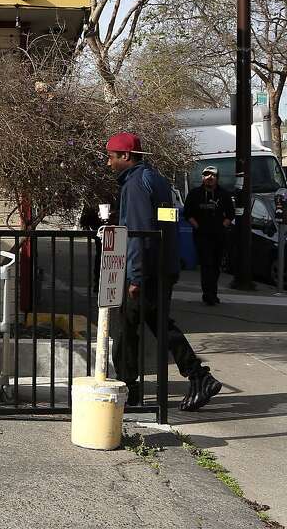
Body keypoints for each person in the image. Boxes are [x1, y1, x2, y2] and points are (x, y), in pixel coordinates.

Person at [105, 132, 223, 411]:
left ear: (125, 156)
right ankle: (197, 376)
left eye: (111, 157)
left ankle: (130, 388)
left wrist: (135, 276)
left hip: (146, 271)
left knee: (128, 330)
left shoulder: (135, 184)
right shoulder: (156, 179)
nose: (109, 163)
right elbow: (165, 222)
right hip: (162, 266)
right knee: (157, 324)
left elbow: (139, 233)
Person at [184, 165, 235, 306]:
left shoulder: (223, 194)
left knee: (216, 265)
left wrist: (222, 226)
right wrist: (197, 226)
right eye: (207, 175)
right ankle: (208, 294)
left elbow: (230, 214)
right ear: (202, 178)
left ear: (217, 178)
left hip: (219, 236)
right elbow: (188, 214)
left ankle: (213, 292)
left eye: (213, 175)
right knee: (206, 264)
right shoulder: (195, 194)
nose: (209, 177)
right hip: (202, 236)